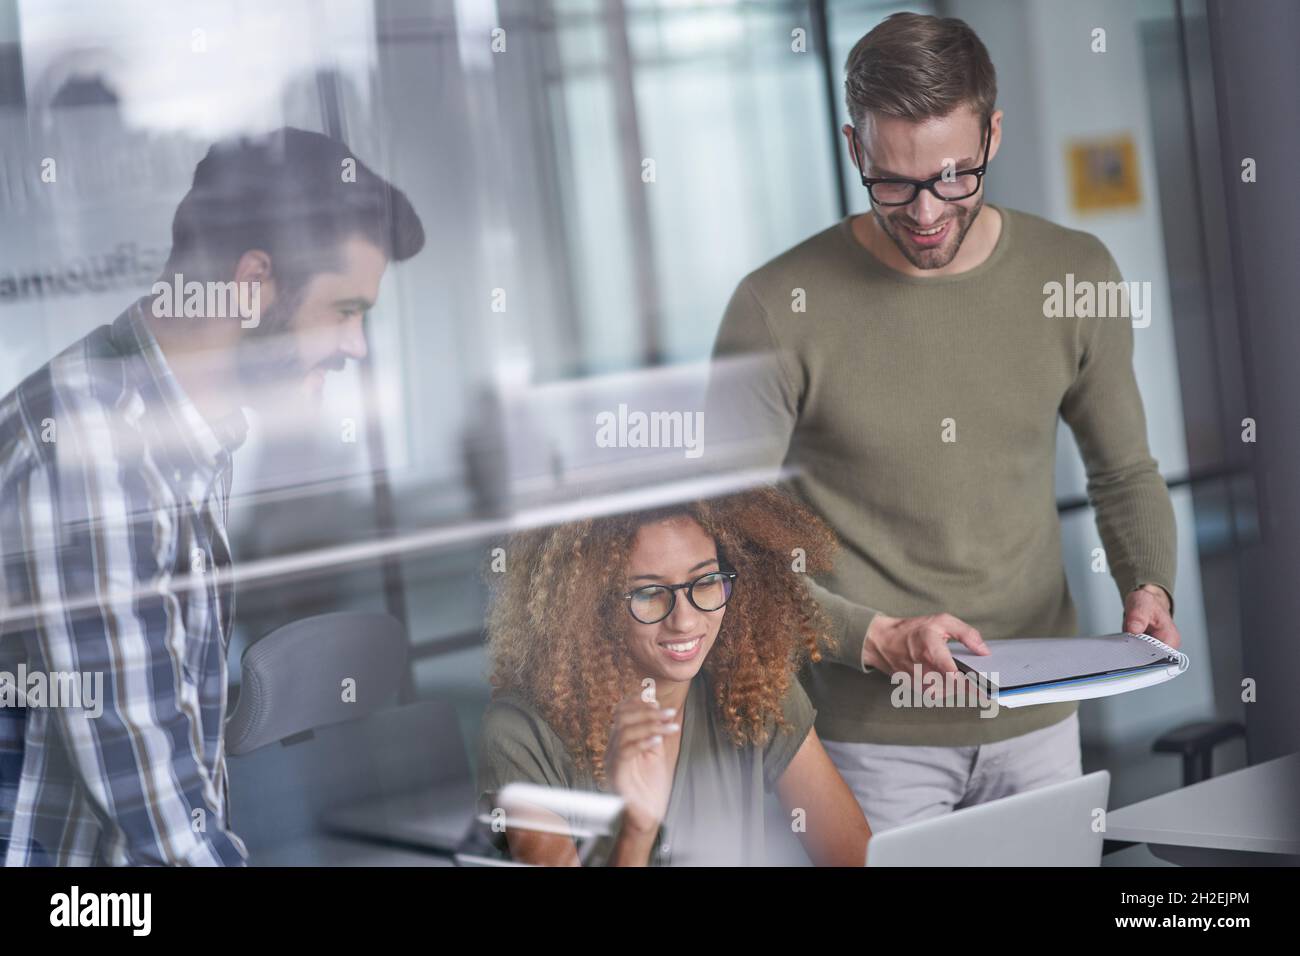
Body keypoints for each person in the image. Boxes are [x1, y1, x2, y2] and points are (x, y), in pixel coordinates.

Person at [708, 12, 1180, 832]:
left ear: (993, 135)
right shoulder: (774, 307)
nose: (925, 211)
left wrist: (1148, 582)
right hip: (869, 744)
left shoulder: (1076, 274)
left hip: (1041, 722)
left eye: (954, 176)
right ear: (856, 148)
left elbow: (1125, 470)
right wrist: (874, 637)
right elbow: (724, 545)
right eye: (893, 181)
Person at [0, 127, 424, 865]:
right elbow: (166, 826)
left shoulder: (181, 432)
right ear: (255, 285)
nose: (356, 346)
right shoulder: (97, 455)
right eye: (345, 310)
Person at [476, 487, 871, 866]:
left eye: (706, 581)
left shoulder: (754, 688)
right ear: (590, 605)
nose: (685, 620)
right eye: (649, 593)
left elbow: (859, 860)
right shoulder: (520, 736)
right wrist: (636, 829)